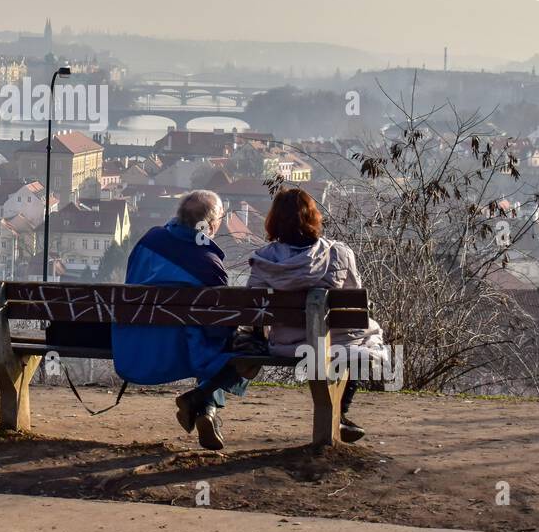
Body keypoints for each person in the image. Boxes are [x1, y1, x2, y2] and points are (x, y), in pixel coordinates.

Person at [247, 187, 387, 443]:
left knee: (356, 341)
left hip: (287, 346)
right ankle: (340, 413)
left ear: (274, 220)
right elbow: (354, 302)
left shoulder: (264, 259)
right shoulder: (338, 253)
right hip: (335, 343)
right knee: (366, 338)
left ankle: (340, 417)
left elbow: (253, 307)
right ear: (314, 218)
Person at [111, 190, 247, 451]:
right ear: (210, 225)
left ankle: (207, 412)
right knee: (243, 347)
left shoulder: (148, 242)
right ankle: (202, 401)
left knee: (215, 339)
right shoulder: (208, 264)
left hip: (136, 342)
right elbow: (217, 325)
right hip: (183, 350)